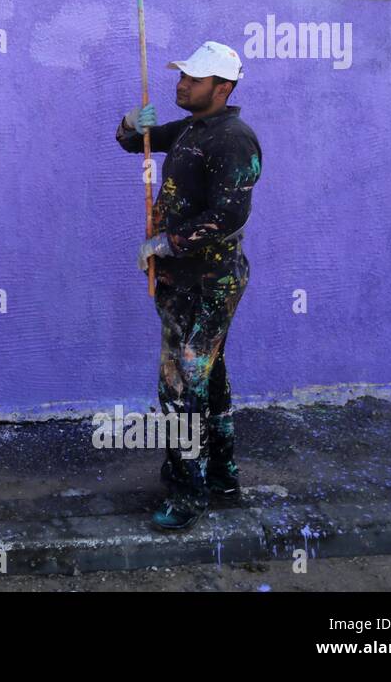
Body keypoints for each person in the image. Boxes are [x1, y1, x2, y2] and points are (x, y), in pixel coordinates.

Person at [115, 40, 262, 530]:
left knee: (178, 386)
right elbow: (140, 143)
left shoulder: (232, 139)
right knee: (208, 379)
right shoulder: (195, 130)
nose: (181, 84)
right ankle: (222, 476)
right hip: (183, 282)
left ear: (222, 88)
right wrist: (130, 125)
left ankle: (187, 494)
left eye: (194, 79)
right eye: (182, 76)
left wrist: (167, 243)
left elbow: (228, 215)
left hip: (209, 283)